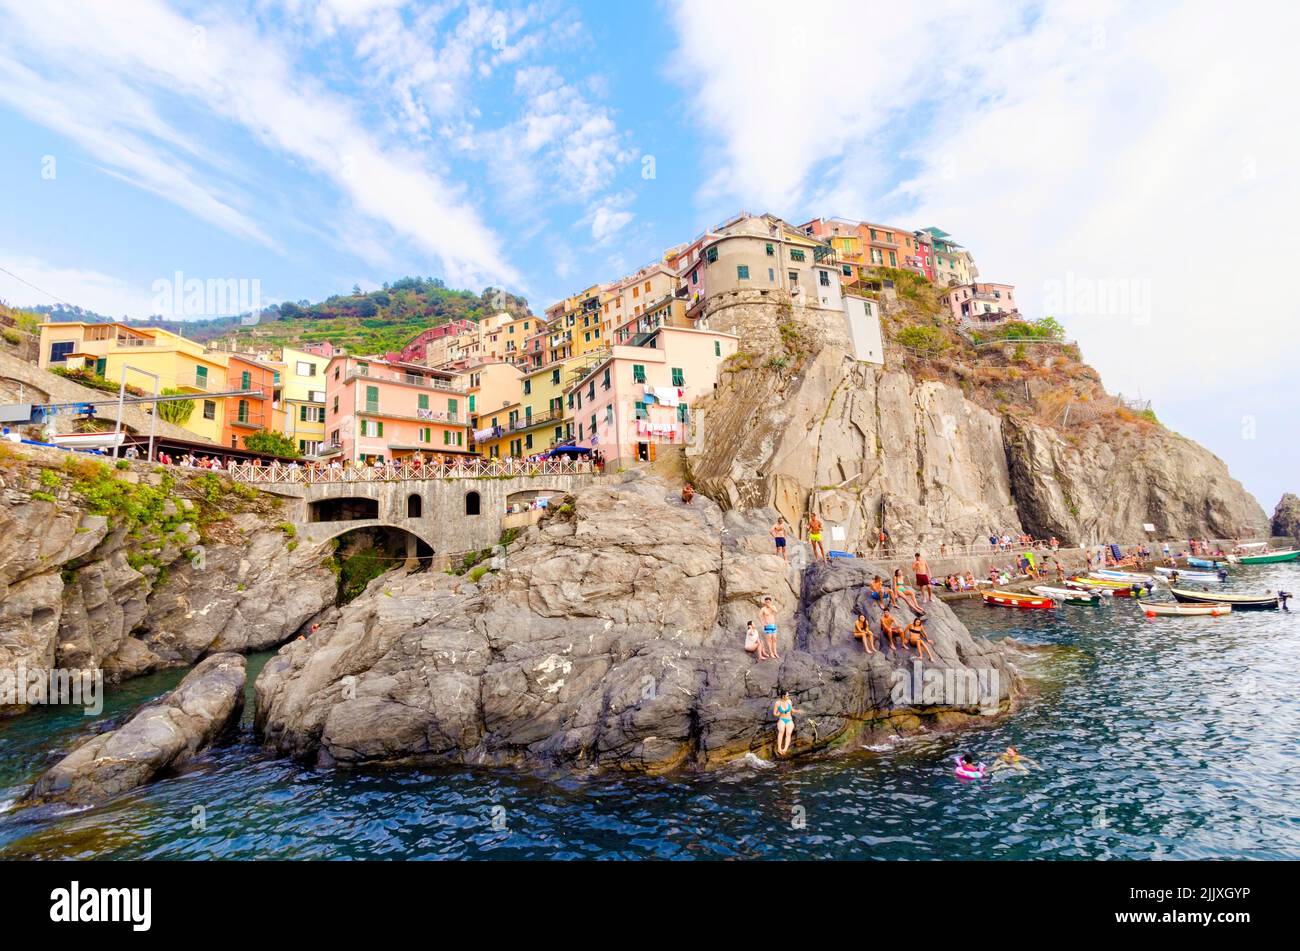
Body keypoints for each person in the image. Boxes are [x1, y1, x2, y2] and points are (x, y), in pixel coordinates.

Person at [772, 690, 804, 757]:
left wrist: (798, 711)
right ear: (783, 696)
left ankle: (785, 749)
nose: (788, 696)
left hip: (789, 720)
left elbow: (792, 710)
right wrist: (779, 713)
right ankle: (779, 748)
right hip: (782, 719)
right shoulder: (777, 703)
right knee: (781, 731)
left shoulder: (789, 701)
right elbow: (774, 713)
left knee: (788, 733)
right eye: (787, 695)